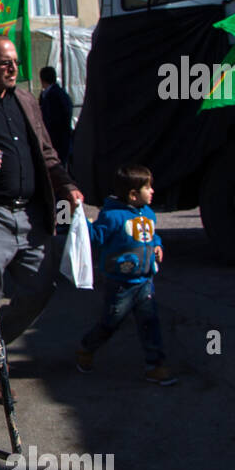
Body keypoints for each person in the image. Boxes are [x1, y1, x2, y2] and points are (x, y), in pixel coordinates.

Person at [0, 35, 82, 401]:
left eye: (14, 62)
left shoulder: (27, 99)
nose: (13, 68)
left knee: (40, 288)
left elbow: (47, 153)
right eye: (4, 63)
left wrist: (68, 187)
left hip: (31, 215)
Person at [74, 164, 176, 385]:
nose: (152, 192)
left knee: (150, 323)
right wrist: (81, 221)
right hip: (120, 285)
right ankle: (86, 348)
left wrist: (157, 246)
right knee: (110, 323)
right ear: (132, 194)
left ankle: (155, 366)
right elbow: (95, 238)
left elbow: (152, 237)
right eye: (147, 188)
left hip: (145, 281)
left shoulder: (148, 213)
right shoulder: (112, 217)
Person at [38, 65, 74, 167]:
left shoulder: (56, 94)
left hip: (59, 138)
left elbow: (65, 114)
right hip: (54, 137)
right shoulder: (46, 94)